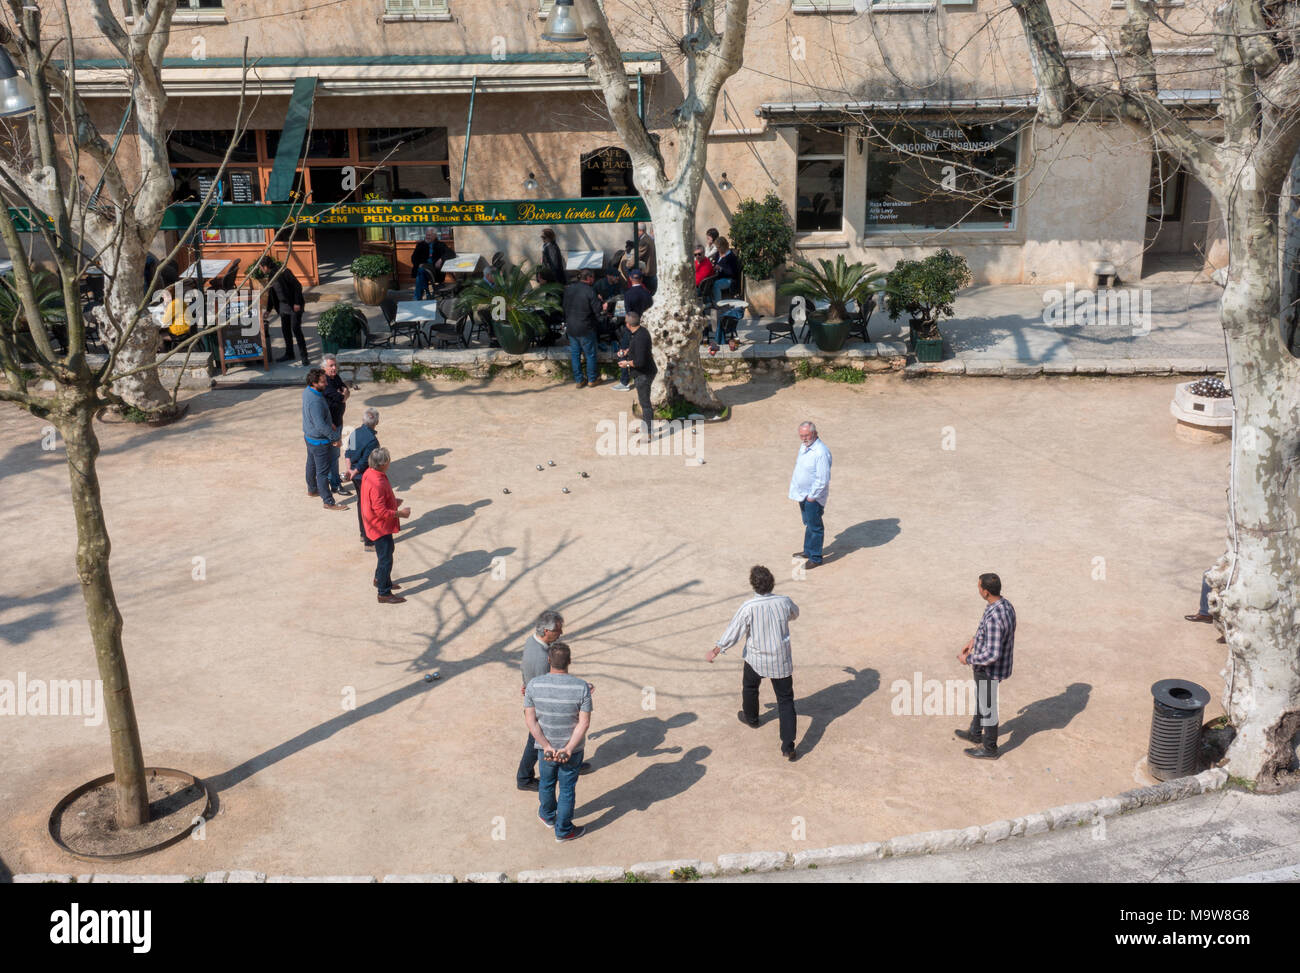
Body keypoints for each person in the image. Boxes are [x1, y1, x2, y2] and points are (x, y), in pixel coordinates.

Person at [707, 565, 801, 762]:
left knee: (750, 687)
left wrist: (717, 649)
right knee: (785, 701)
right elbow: (795, 614)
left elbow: (735, 630)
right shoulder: (784, 601)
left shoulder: (749, 607)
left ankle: (752, 718)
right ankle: (788, 745)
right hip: (780, 660)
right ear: (772, 582)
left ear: (754, 585)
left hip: (756, 658)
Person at [524, 640, 592, 841]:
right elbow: (584, 723)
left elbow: (531, 721)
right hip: (571, 751)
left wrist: (546, 746)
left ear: (548, 660)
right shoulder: (582, 687)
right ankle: (563, 831)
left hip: (545, 750)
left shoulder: (533, 685)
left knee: (546, 782)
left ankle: (547, 815)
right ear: (569, 661)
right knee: (567, 788)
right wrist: (569, 748)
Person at [956, 573, 1017, 760]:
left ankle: (990, 748)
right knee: (983, 699)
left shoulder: (994, 619)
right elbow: (984, 630)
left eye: (979, 587)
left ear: (986, 592)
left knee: (988, 706)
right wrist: (973, 640)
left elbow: (992, 654)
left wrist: (969, 659)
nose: (978, 590)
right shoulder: (1004, 605)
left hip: (989, 670)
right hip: (994, 667)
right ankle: (975, 732)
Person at [518, 610, 570, 789]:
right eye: (558, 630)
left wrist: (525, 684)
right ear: (546, 631)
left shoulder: (531, 641)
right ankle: (524, 779)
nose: (561, 633)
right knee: (535, 741)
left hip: (532, 698)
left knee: (537, 740)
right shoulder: (542, 658)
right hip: (541, 707)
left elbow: (524, 666)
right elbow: (546, 687)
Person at [361, 447, 411, 605]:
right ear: (382, 464)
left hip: (374, 524)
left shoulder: (369, 473)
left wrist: (393, 502)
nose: (390, 462)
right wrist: (400, 513)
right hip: (379, 526)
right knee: (386, 558)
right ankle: (383, 592)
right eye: (388, 460)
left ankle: (380, 579)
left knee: (387, 553)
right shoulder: (377, 482)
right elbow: (381, 511)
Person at [302, 368, 347, 512]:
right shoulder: (315, 401)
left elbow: (319, 418)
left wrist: (330, 423)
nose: (326, 383)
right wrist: (335, 438)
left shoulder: (308, 391)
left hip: (310, 437)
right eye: (323, 382)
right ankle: (328, 501)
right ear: (314, 383)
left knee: (311, 463)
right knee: (322, 472)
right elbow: (320, 425)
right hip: (319, 441)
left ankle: (312, 489)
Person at [788, 421, 831, 569]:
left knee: (815, 526)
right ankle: (808, 550)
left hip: (813, 497)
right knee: (808, 523)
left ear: (814, 433)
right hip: (803, 495)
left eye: (806, 435)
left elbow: (823, 479)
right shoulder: (805, 446)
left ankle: (816, 558)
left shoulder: (821, 452)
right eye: (801, 435)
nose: (804, 438)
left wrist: (812, 497)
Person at [344, 407, 381, 549]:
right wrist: (353, 472)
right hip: (364, 477)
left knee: (361, 503)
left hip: (355, 475)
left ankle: (362, 533)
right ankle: (368, 540)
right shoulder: (373, 441)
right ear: (376, 422)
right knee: (368, 506)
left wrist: (349, 471)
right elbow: (364, 462)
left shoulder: (355, 433)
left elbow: (348, 453)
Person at [261, 256, 308, 366]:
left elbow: (297, 286)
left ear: (265, 267)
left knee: (296, 329)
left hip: (293, 305)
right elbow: (272, 294)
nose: (261, 270)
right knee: (285, 330)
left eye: (261, 268)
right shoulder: (271, 276)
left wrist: (296, 302)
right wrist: (268, 310)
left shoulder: (284, 272)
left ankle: (304, 356)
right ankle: (289, 353)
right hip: (283, 306)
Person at [563, 267, 602, 389]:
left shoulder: (569, 289)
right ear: (589, 278)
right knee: (590, 354)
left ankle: (579, 380)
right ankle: (592, 379)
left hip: (571, 327)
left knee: (575, 354)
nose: (594, 280)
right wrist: (600, 302)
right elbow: (597, 311)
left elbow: (564, 307)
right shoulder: (590, 291)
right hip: (585, 328)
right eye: (593, 278)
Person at [618, 311, 656, 436]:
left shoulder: (639, 337)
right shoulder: (641, 331)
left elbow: (639, 362)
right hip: (645, 372)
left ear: (628, 324)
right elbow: (638, 350)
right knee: (644, 402)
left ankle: (648, 433)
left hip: (643, 374)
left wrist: (626, 364)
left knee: (645, 404)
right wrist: (626, 351)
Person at [321, 354, 350, 494]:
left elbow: (346, 390)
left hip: (338, 421)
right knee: (333, 454)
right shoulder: (324, 382)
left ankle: (332, 481)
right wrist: (342, 395)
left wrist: (343, 394)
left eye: (334, 365)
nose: (334, 368)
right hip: (331, 425)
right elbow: (340, 396)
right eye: (331, 366)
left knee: (334, 454)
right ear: (323, 367)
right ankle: (335, 484)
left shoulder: (336, 377)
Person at [637, 226, 658, 295]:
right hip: (651, 272)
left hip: (648, 273)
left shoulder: (645, 241)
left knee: (649, 293)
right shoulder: (648, 240)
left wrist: (628, 264)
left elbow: (638, 256)